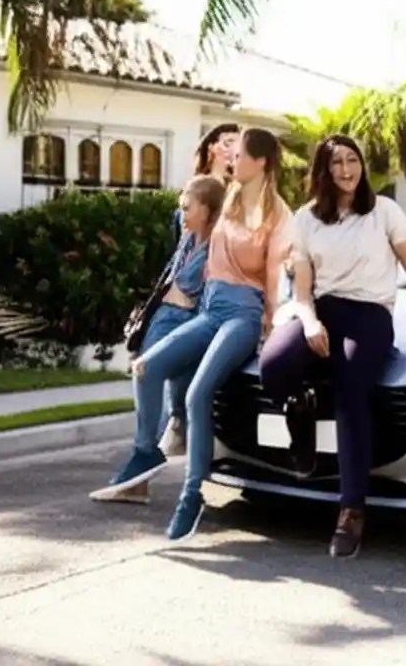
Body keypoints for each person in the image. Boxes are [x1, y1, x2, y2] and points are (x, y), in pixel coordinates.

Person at [258, 134, 406, 559]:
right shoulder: (305, 219)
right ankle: (301, 412)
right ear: (323, 170)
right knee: (273, 366)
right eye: (336, 162)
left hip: (369, 314)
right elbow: (302, 293)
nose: (346, 169)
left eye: (352, 160)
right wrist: (311, 322)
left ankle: (351, 510)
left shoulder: (385, 212)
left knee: (352, 391)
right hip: (322, 309)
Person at [129, 127, 295, 542]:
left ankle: (193, 494)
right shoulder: (229, 201)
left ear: (261, 162)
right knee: (146, 367)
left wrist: (269, 327)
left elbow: (274, 277)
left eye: (238, 155)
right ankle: (146, 451)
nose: (231, 160)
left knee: (196, 394)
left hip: (243, 316)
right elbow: (194, 206)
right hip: (209, 311)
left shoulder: (278, 215)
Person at [87, 175, 229, 504]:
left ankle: (147, 456)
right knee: (163, 397)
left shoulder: (218, 245)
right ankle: (141, 480)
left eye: (188, 206)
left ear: (208, 210)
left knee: (160, 383)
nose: (181, 212)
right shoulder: (187, 237)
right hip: (163, 318)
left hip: (186, 321)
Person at [160, 123, 241, 457]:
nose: (233, 150)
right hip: (190, 289)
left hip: (223, 288)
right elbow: (185, 247)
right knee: (174, 357)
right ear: (211, 148)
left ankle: (189, 430)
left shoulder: (243, 193)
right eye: (226, 143)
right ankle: (178, 423)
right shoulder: (194, 194)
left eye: (238, 145)